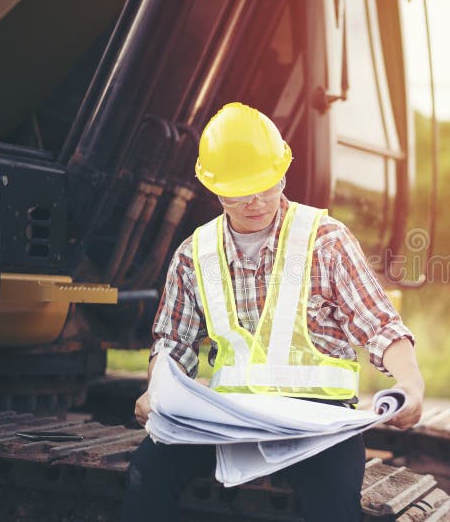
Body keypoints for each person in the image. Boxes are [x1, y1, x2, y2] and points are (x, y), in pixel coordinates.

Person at [121, 102, 425, 522]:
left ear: (283, 172)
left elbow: (380, 325)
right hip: (228, 422)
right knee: (147, 472)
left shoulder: (325, 241)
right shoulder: (195, 254)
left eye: (268, 184)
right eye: (239, 191)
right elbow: (174, 344)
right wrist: (154, 392)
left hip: (318, 426)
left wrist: (409, 381)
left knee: (334, 499)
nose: (257, 201)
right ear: (214, 188)